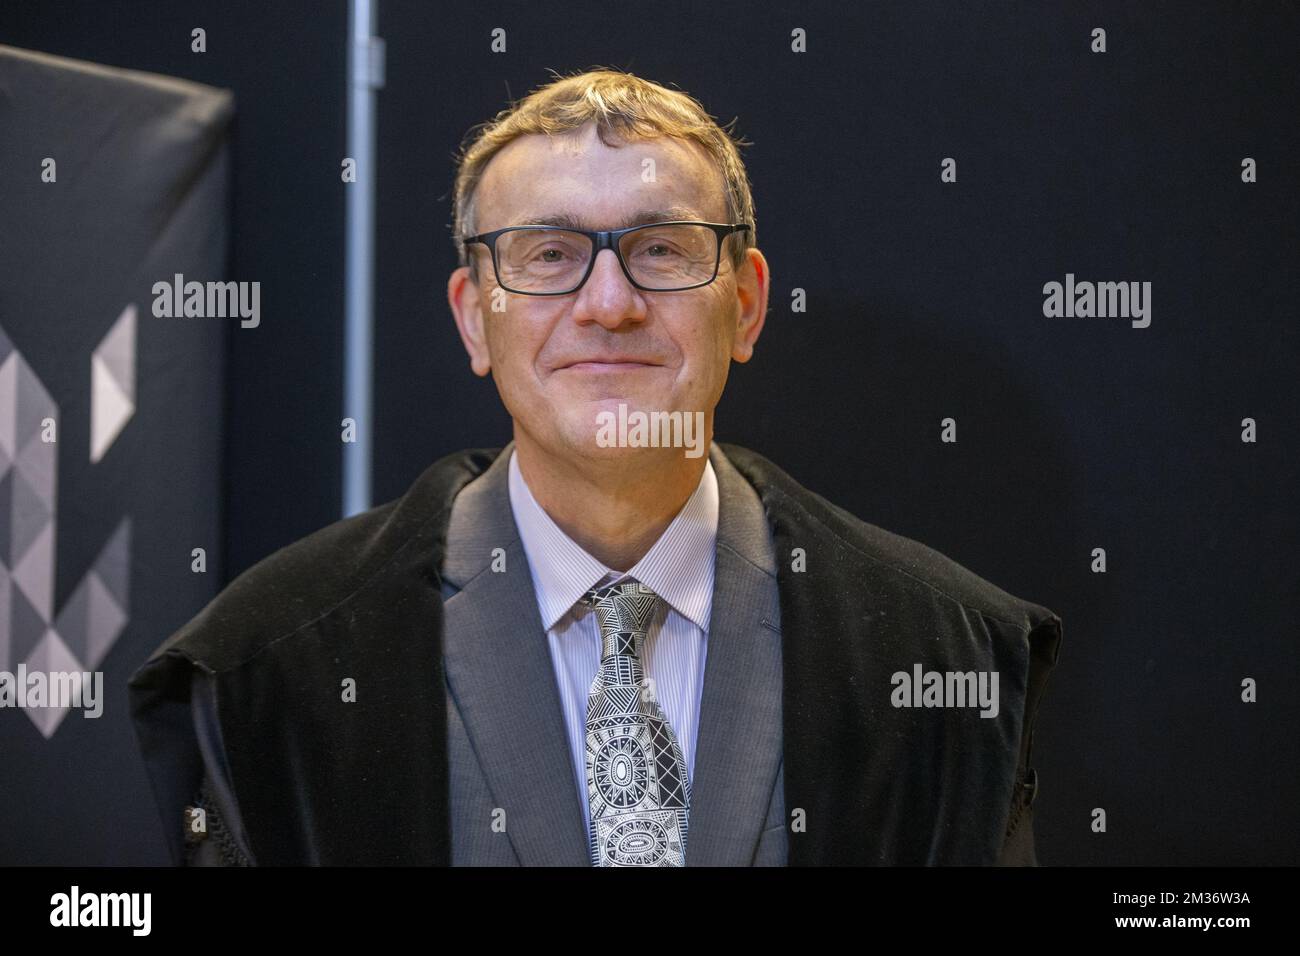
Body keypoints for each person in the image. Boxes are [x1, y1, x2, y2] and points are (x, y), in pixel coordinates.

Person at [128, 67, 1062, 867]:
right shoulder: (267, 668)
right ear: (472, 317)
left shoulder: (946, 655)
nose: (608, 304)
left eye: (661, 249)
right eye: (548, 254)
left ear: (744, 305)